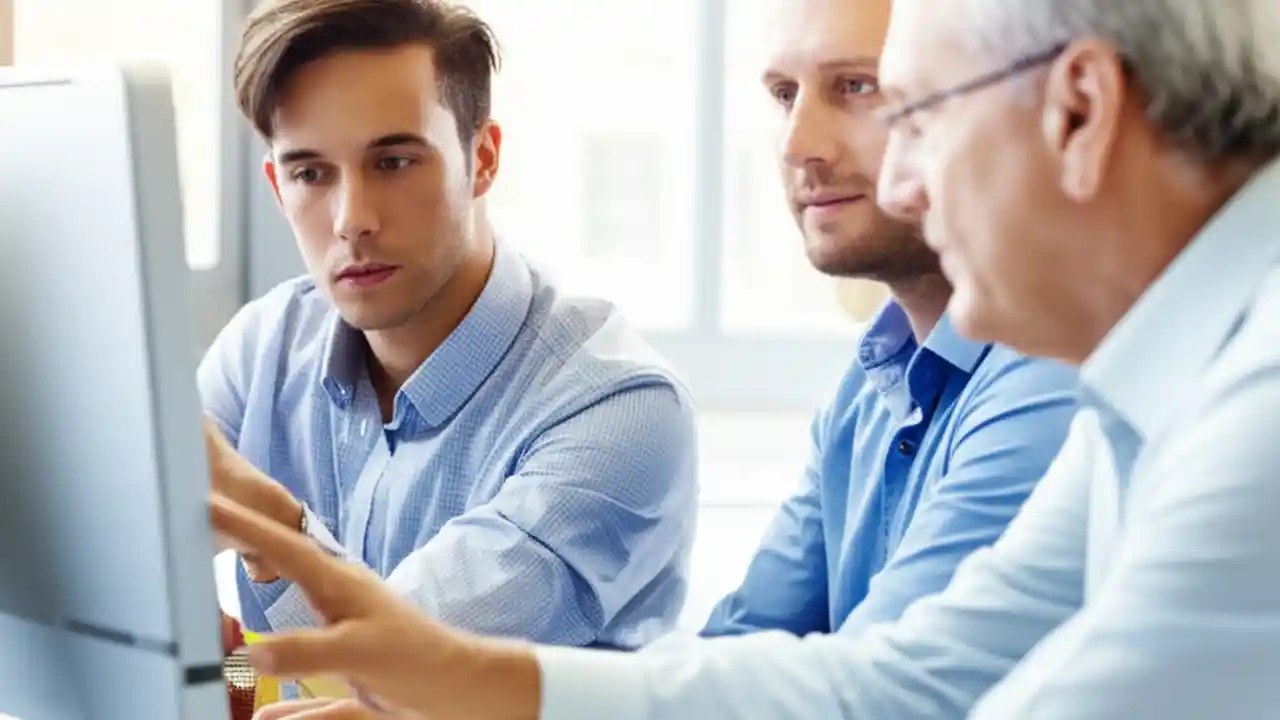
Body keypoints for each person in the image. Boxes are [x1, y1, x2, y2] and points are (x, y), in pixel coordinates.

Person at [211, 0, 1280, 718]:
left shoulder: (1256, 412)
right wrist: (457, 676)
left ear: (1079, 112)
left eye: (911, 113)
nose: (901, 184)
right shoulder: (1146, 393)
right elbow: (896, 684)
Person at [201, 0, 698, 652]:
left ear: (483, 158)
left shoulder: (619, 410)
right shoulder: (264, 346)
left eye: (393, 162)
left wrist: (265, 525)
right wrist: (224, 677)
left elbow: (397, 670)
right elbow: (231, 653)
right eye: (310, 173)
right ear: (277, 186)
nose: (351, 220)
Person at [700, 0, 1076, 640]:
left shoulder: (1050, 375)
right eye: (785, 95)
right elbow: (743, 642)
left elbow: (877, 679)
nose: (797, 146)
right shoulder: (870, 379)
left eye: (858, 87)